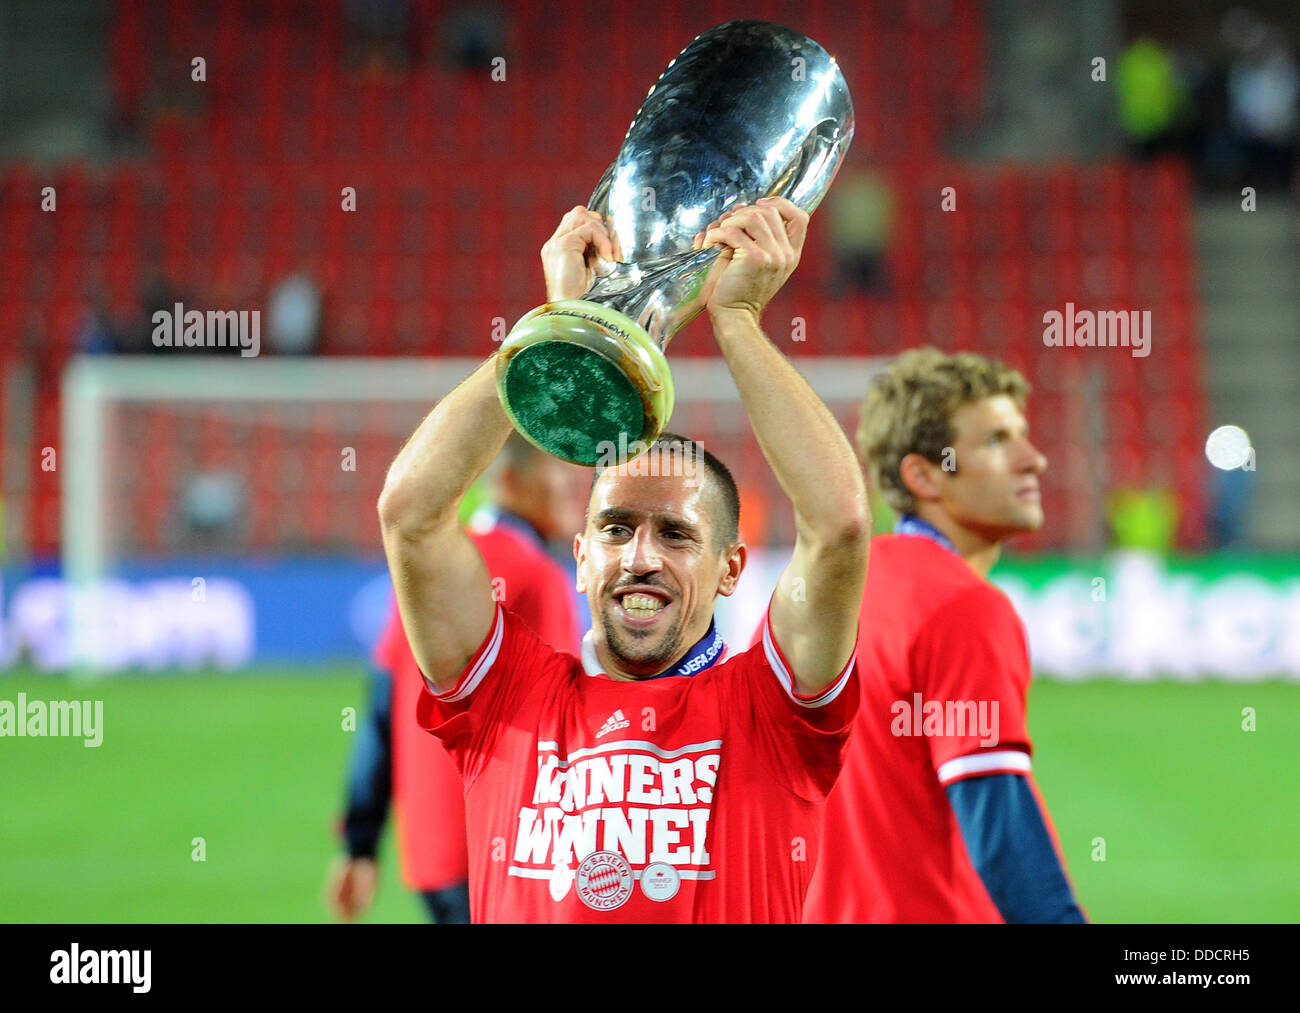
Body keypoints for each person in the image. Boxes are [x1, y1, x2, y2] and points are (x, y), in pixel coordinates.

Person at [377, 197, 869, 922]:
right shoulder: (507, 699)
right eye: (614, 528)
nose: (640, 556)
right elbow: (410, 514)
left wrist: (737, 322)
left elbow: (839, 526)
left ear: (731, 568)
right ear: (579, 557)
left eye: (675, 534)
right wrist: (558, 334)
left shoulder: (771, 709)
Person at [803, 347, 1086, 924]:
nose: (1034, 460)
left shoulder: (811, 595)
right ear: (923, 475)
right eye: (996, 441)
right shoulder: (963, 607)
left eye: (1023, 435)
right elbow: (998, 822)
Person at [326, 434, 586, 923]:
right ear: (508, 479)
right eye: (560, 469)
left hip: (431, 855)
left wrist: (360, 844)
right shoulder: (538, 576)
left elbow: (381, 710)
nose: (578, 481)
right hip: (509, 853)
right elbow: (565, 728)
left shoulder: (429, 571)